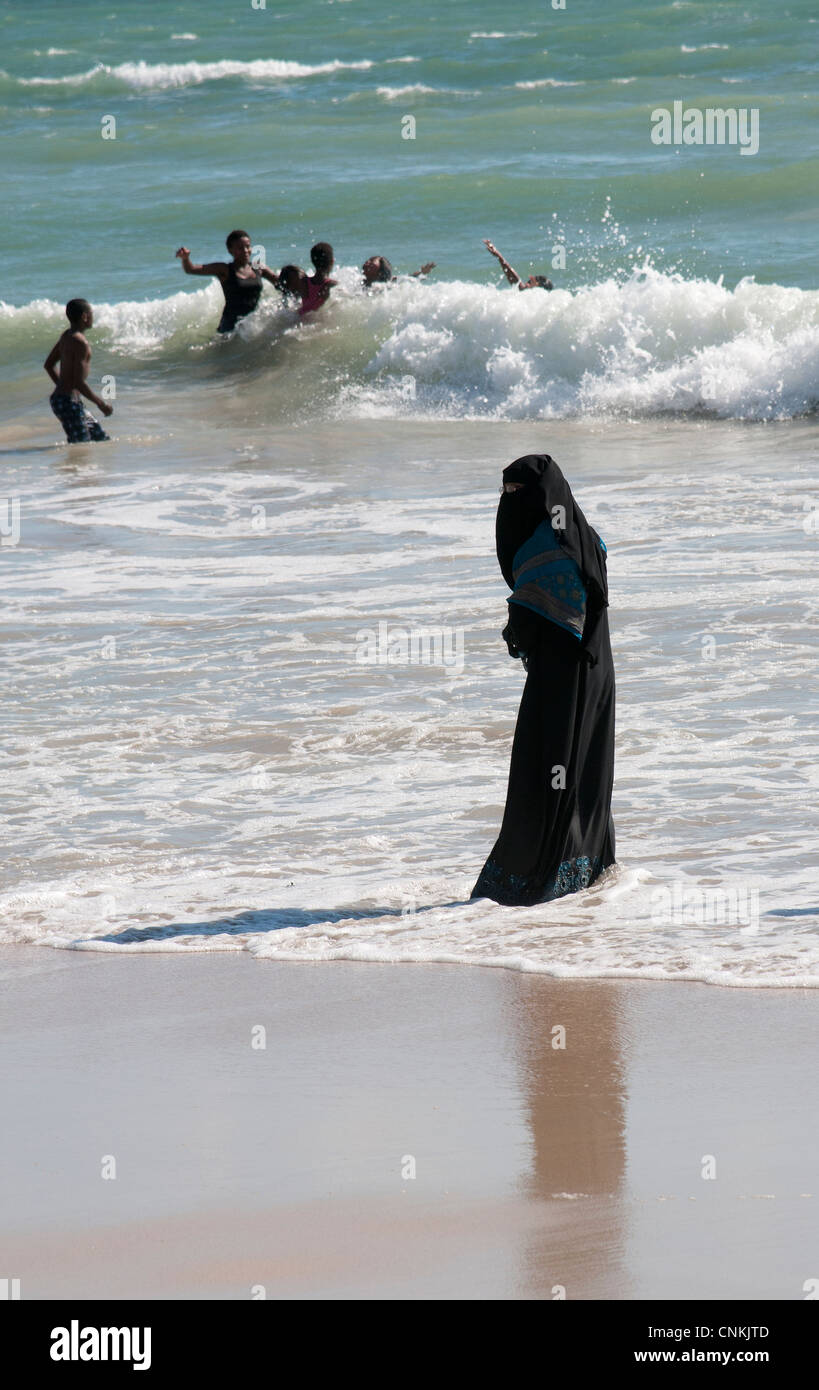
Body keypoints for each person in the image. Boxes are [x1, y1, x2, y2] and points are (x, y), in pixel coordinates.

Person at [471, 454, 615, 906]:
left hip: (561, 681)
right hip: (596, 673)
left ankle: (535, 881)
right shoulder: (584, 536)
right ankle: (586, 872)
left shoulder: (545, 551)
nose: (509, 502)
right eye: (505, 493)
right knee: (581, 769)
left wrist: (518, 629)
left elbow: (529, 628)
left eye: (517, 493)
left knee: (545, 770)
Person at [175, 230, 280, 333]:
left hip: (251, 326)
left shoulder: (258, 268)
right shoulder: (225, 270)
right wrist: (185, 258)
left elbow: (280, 283)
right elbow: (191, 269)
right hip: (230, 328)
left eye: (248, 246)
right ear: (230, 251)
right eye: (240, 248)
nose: (245, 250)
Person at [44, 299, 113, 442]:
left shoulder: (66, 336)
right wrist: (101, 404)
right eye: (91, 313)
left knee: (100, 438)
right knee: (81, 444)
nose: (93, 317)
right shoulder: (81, 343)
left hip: (66, 400)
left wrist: (62, 387)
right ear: (84, 316)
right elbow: (79, 382)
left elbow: (49, 365)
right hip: (67, 402)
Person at [483, 239, 553, 290]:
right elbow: (513, 278)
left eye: (529, 282)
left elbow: (512, 276)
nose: (526, 284)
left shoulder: (525, 293)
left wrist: (498, 256)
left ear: (534, 282)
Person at [362, 255, 436, 286]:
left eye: (371, 262)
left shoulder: (390, 283)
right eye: (368, 260)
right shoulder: (360, 282)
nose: (367, 263)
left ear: (381, 270)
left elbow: (410, 277)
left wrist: (422, 272)